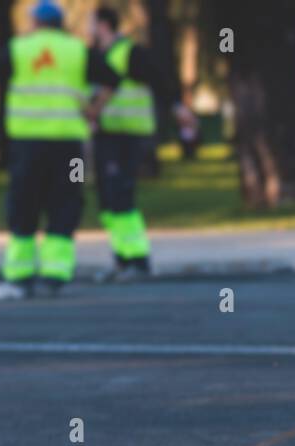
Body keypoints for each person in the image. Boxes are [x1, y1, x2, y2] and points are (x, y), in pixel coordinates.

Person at [0, 1, 120, 298]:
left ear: (34, 21)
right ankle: (55, 274)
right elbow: (112, 79)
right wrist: (93, 109)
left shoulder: (19, 48)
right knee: (67, 201)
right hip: (69, 146)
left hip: (28, 145)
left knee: (24, 203)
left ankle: (19, 277)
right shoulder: (77, 50)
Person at [90, 5, 196, 281]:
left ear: (103, 25)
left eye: (92, 23)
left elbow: (160, 81)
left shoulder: (130, 53)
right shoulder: (97, 55)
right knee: (107, 199)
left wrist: (177, 108)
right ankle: (122, 259)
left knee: (121, 195)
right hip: (105, 133)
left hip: (129, 133)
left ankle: (138, 260)